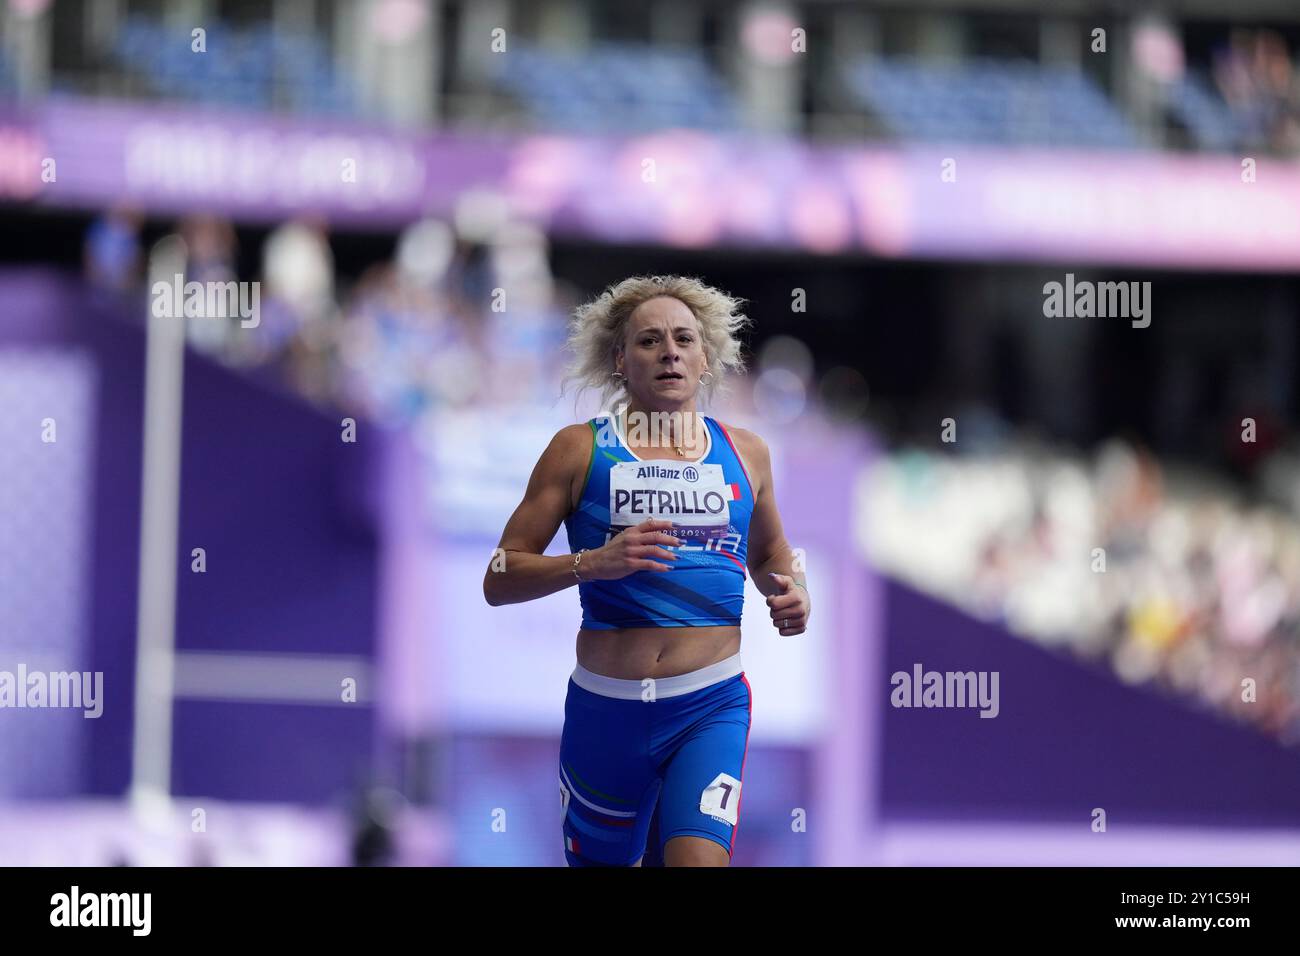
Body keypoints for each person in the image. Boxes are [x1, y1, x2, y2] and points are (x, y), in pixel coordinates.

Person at [483, 275, 810, 866]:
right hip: (606, 712)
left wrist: (792, 592)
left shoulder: (746, 452)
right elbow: (500, 577)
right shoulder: (579, 449)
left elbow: (770, 555)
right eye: (650, 340)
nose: (670, 352)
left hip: (708, 705)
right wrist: (592, 563)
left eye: (685, 339)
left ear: (705, 358)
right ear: (619, 360)